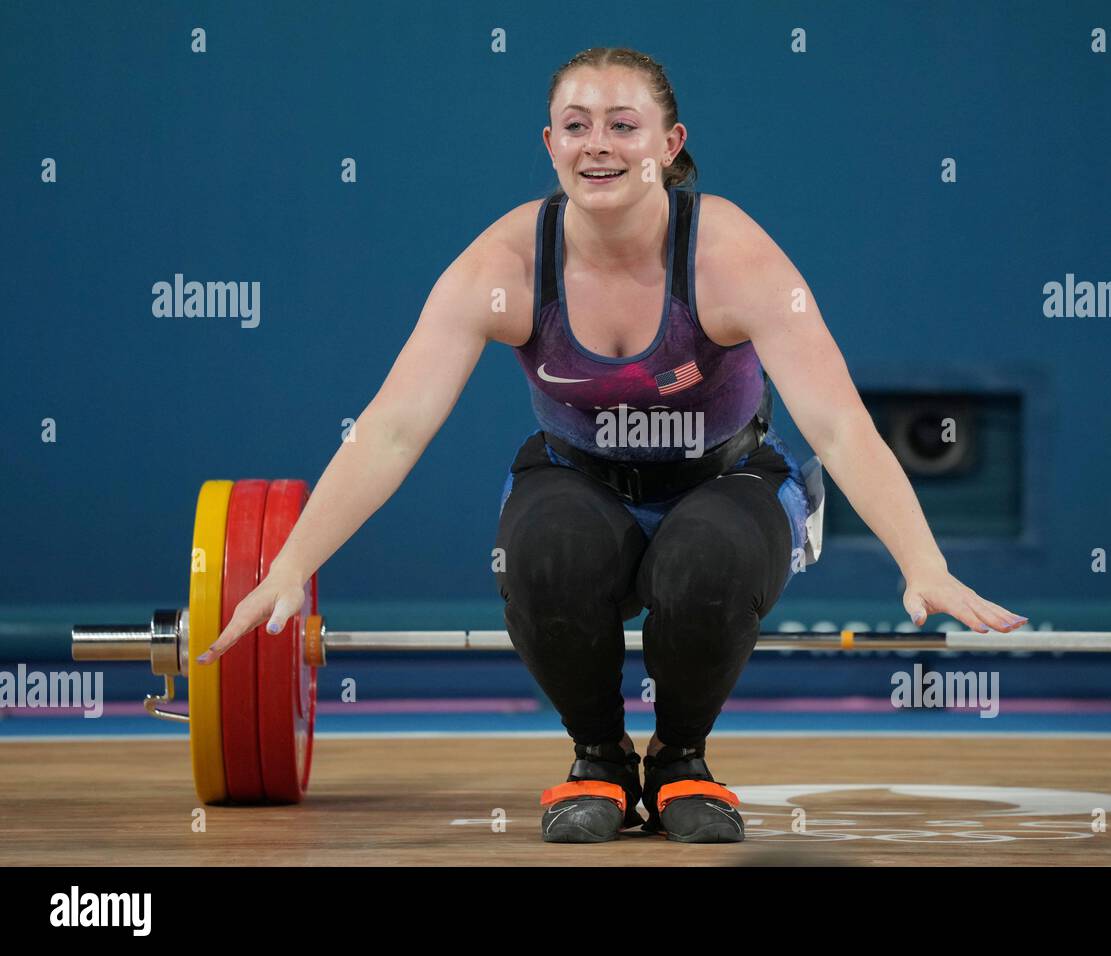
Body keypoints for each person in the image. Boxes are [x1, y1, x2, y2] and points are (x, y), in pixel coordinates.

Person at [198, 47, 1028, 845]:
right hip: (577, 481)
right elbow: (392, 427)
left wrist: (922, 563)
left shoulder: (733, 258)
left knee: (709, 560)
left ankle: (680, 763)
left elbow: (841, 424)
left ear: (669, 146)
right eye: (576, 124)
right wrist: (290, 567)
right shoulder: (505, 264)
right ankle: (595, 760)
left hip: (730, 479)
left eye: (623, 125)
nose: (598, 145)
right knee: (547, 549)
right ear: (550, 143)